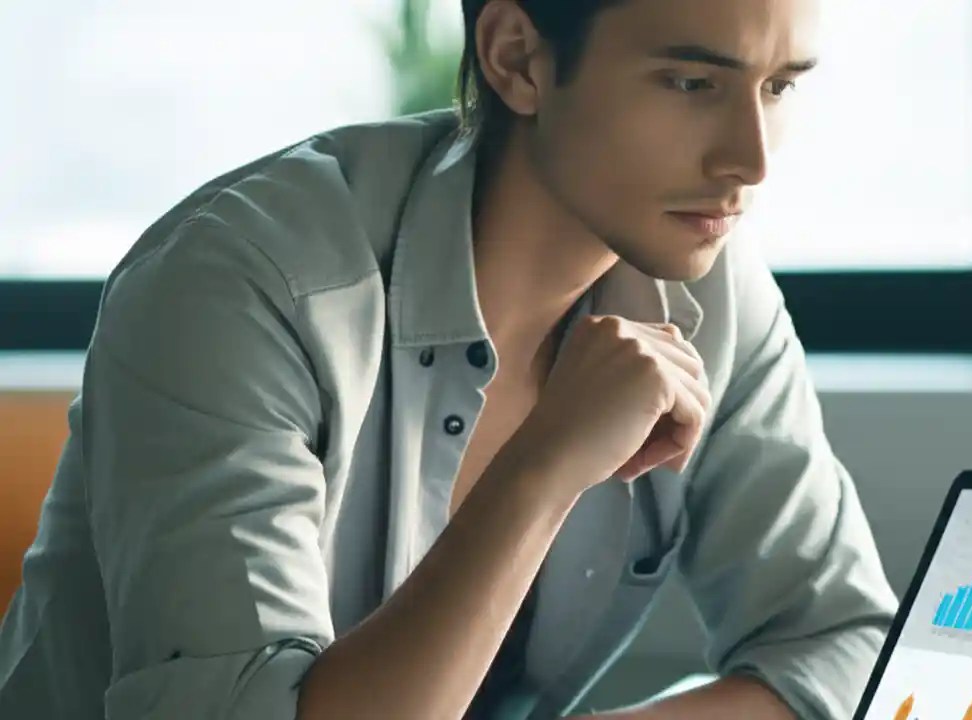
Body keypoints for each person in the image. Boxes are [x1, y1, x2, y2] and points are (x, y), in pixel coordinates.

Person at [0, 0, 898, 718]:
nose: (750, 161)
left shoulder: (714, 293)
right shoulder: (244, 283)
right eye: (691, 81)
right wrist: (540, 473)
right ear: (517, 58)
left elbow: (846, 642)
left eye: (779, 88)